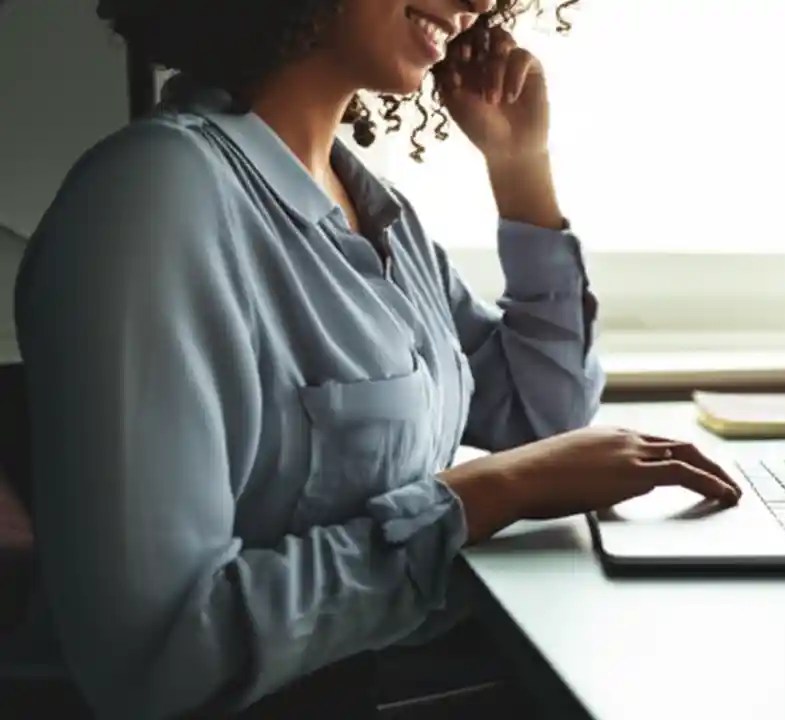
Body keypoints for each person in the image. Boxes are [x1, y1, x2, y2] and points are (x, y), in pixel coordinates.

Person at [13, 1, 741, 717]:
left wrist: (521, 171)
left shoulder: (370, 205)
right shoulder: (153, 195)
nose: (480, 3)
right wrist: (487, 496)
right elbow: (160, 661)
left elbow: (540, 415)